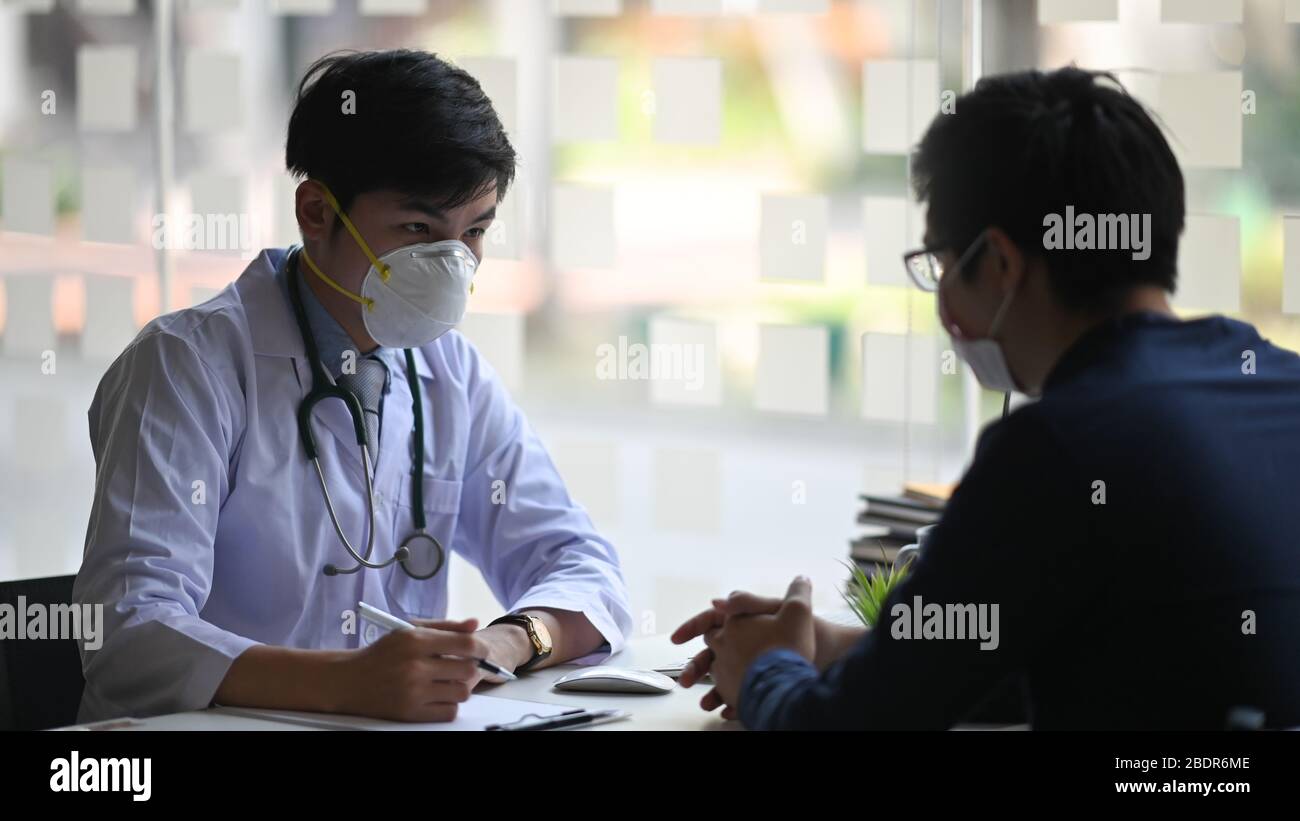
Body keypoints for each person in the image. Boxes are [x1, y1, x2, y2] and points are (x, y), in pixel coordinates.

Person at [673, 66, 1300, 730]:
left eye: (941, 265)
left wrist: (767, 670)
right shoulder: (1280, 385)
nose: (942, 300)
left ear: (999, 264)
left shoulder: (1055, 448)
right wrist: (830, 649)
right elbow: (1099, 661)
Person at [74, 50, 631, 723]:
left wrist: (505, 642)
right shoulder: (185, 366)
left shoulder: (451, 374)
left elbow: (582, 563)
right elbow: (130, 633)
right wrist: (345, 681)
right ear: (316, 212)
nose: (453, 266)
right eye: (418, 229)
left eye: (475, 232)